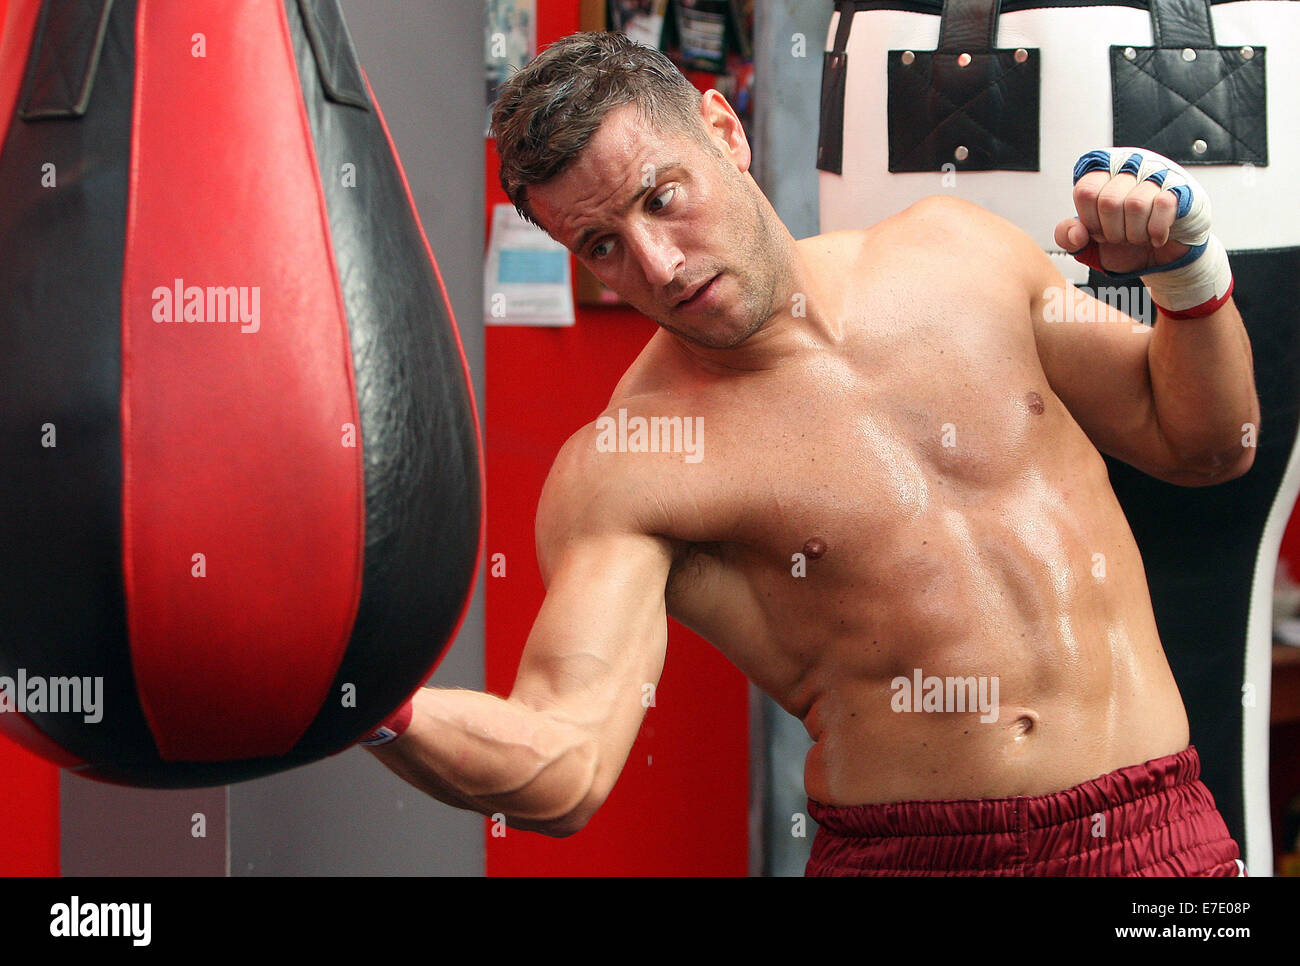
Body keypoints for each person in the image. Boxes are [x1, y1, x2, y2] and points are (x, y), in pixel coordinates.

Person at [364, 31, 1258, 875]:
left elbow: (1207, 446)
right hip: (911, 856)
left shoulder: (963, 254)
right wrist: (365, 701)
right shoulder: (629, 465)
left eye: (661, 198)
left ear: (724, 130)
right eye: (602, 246)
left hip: (1155, 834)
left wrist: (1186, 274)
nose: (659, 264)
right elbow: (564, 765)